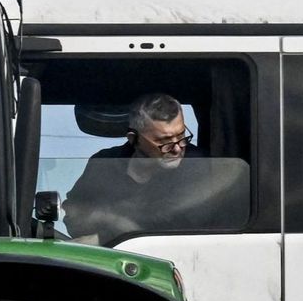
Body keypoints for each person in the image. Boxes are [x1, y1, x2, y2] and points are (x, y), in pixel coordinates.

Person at [62, 92, 220, 241]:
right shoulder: (103, 163)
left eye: (181, 136)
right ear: (134, 139)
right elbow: (73, 215)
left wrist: (107, 227)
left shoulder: (199, 164)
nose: (177, 149)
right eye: (164, 141)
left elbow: (178, 222)